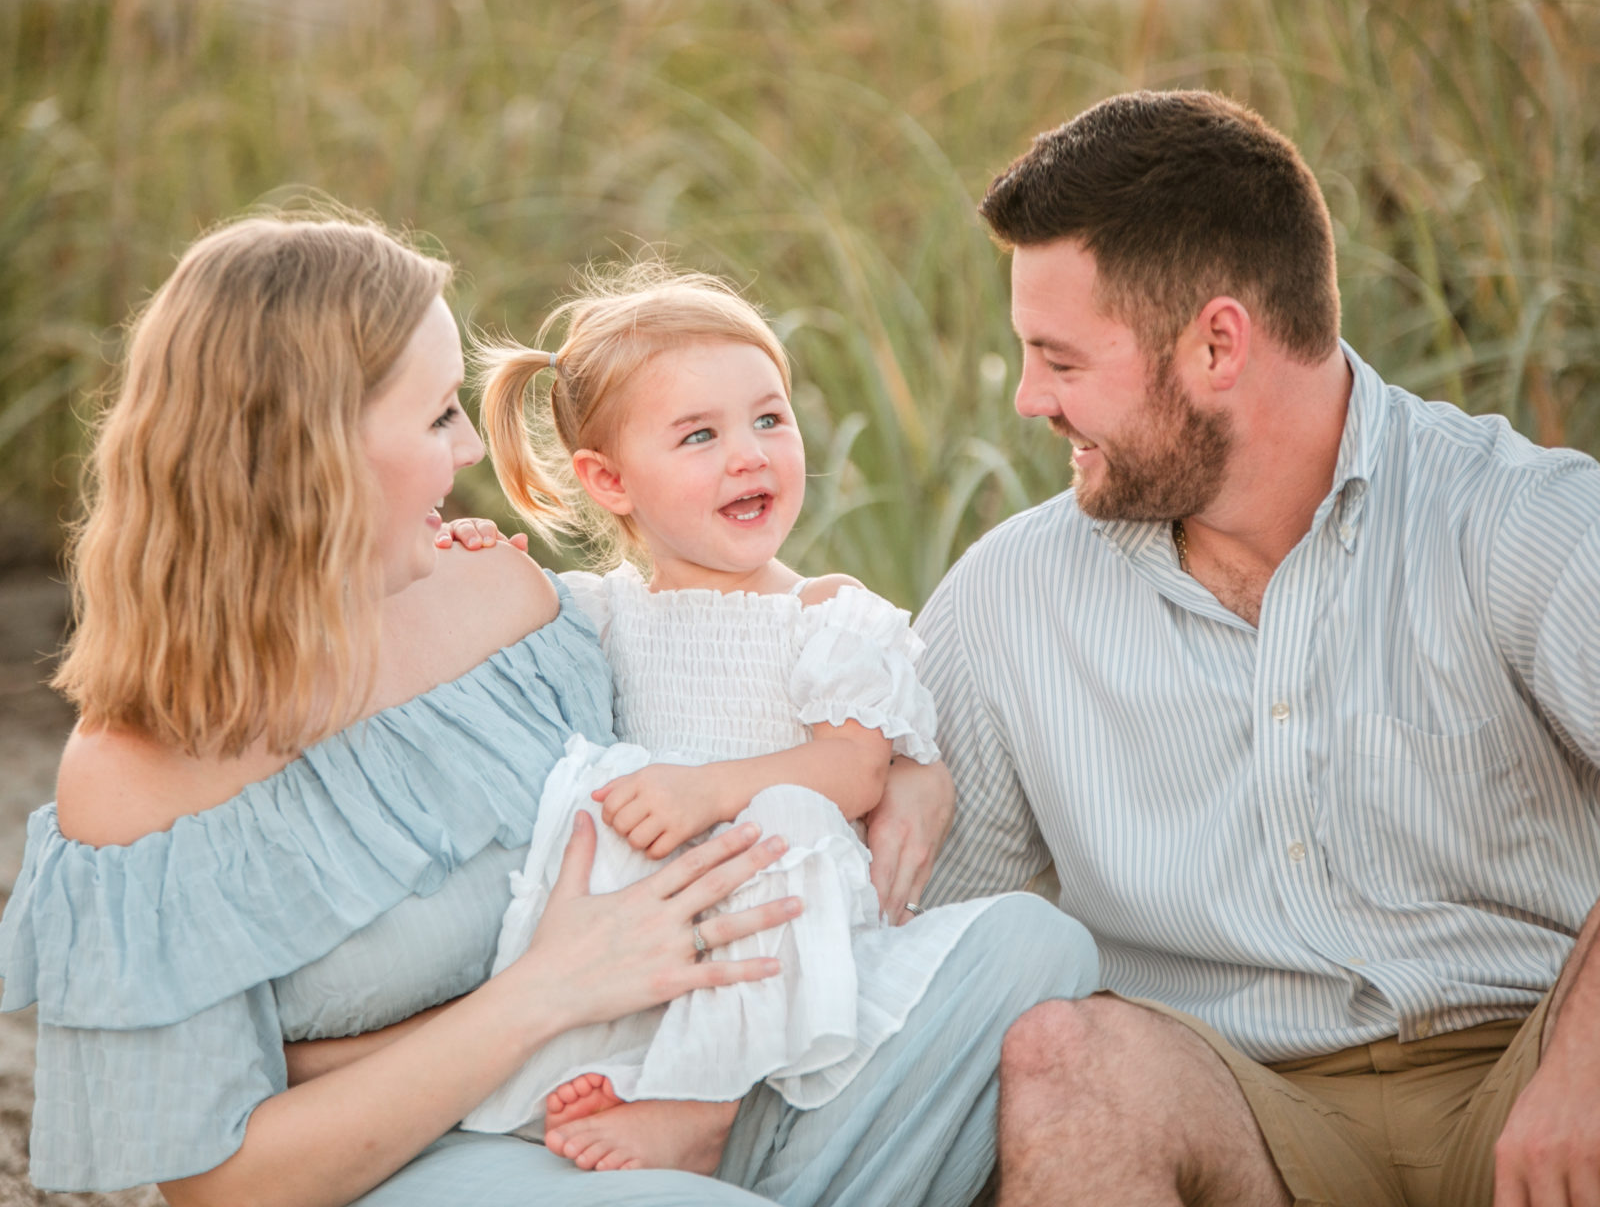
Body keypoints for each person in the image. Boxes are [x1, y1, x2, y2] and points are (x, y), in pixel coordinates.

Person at [0, 211, 1097, 1207]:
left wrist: (897, 761)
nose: (473, 451)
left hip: (663, 1067)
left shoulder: (504, 598)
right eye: (437, 414)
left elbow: (708, 685)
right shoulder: (135, 771)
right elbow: (221, 1179)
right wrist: (546, 992)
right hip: (416, 1159)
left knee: (1028, 954)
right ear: (309, 449)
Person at [913, 90, 1600, 1206]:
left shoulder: (1517, 520)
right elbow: (916, 935)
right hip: (1243, 1114)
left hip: (1532, 1075)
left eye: (1062, 360)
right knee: (1066, 1065)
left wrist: (1586, 1061)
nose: (1030, 400)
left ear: (1216, 344)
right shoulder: (1003, 601)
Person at [452, 262, 1090, 1173]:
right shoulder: (598, 612)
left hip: (782, 918)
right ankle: (622, 1069)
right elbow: (492, 621)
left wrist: (709, 789)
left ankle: (701, 1105)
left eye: (769, 419)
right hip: (649, 923)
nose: (749, 454)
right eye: (700, 435)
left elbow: (855, 770)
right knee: (592, 803)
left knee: (779, 819)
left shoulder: (826, 616)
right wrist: (476, 555)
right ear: (609, 480)